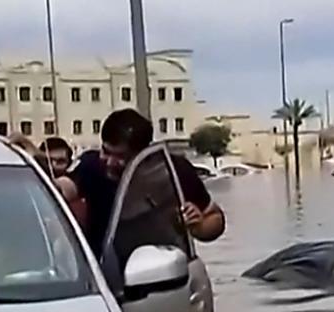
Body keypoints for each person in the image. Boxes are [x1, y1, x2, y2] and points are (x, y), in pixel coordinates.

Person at [72, 109, 225, 256]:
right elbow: (66, 187)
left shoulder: (172, 170)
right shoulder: (91, 166)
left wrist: (199, 226)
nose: (110, 162)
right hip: (101, 267)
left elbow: (214, 217)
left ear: (143, 155)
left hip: (165, 265)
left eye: (121, 156)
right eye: (106, 152)